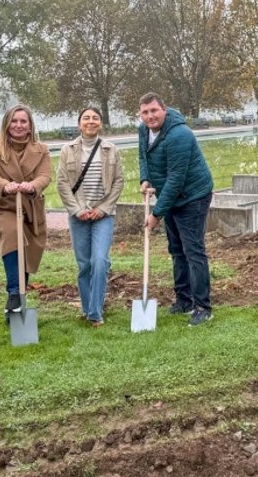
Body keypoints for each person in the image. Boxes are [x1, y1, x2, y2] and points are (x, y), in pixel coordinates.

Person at [137, 93, 215, 326]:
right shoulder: (144, 130)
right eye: (145, 112)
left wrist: (156, 214)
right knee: (176, 249)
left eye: (154, 111)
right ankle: (184, 299)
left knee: (193, 250)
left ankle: (203, 306)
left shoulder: (180, 135)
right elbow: (143, 156)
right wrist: (145, 178)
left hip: (193, 195)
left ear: (165, 110)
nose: (150, 116)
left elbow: (176, 180)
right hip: (170, 196)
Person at [56, 107, 125, 327]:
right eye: (86, 118)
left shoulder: (111, 149)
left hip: (103, 214)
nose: (91, 121)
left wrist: (103, 208)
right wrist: (77, 210)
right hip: (79, 215)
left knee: (100, 261)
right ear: (79, 124)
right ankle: (88, 308)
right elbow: (62, 183)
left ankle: (95, 312)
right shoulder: (68, 150)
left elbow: (118, 181)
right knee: (85, 264)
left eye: (95, 118)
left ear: (100, 123)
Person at [0, 104, 51, 314]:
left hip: (30, 207)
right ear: (7, 124)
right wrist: (4, 185)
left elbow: (45, 175)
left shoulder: (41, 150)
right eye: (14, 121)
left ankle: (20, 298)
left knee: (27, 251)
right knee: (13, 234)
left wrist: (34, 186)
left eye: (23, 121)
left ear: (30, 126)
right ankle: (14, 293)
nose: (18, 125)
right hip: (3, 205)